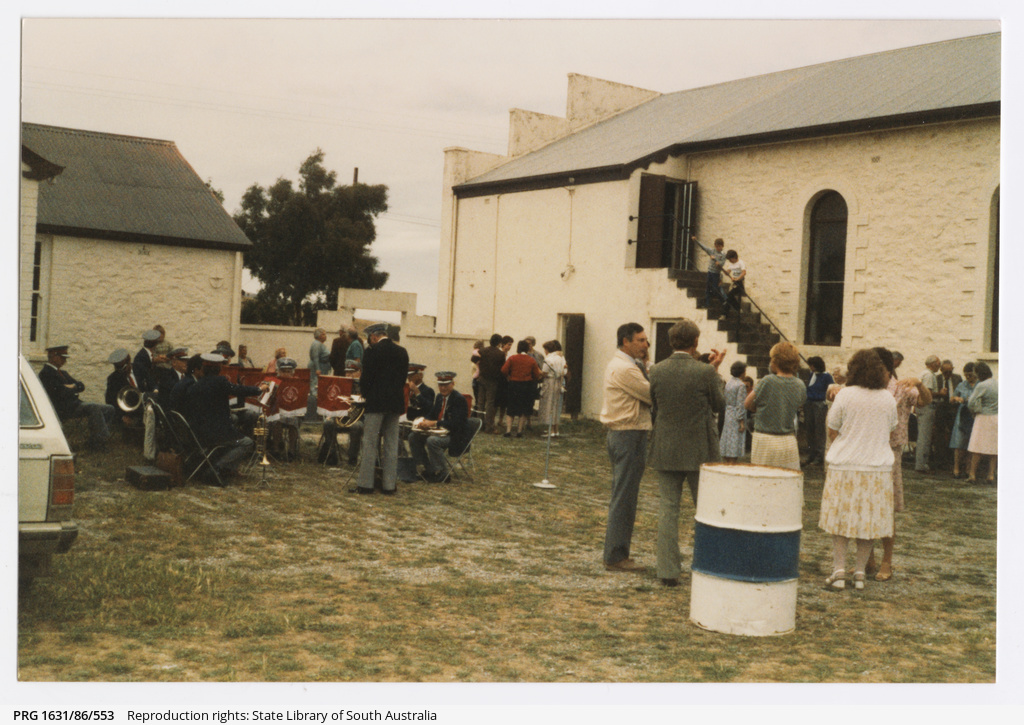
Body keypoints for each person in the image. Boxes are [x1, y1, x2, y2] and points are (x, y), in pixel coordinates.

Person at [648, 319, 726, 587]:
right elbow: (719, 404)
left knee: (668, 509)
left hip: (666, 446)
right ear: (696, 342)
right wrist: (715, 372)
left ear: (672, 341)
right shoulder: (705, 372)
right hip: (699, 448)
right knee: (704, 508)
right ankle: (708, 564)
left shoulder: (656, 370)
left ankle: (667, 570)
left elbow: (656, 405)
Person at [818, 348, 897, 591]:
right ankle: (860, 573)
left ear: (854, 370)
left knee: (840, 521)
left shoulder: (845, 395)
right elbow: (890, 429)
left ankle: (839, 571)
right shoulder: (887, 398)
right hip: (877, 469)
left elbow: (832, 428)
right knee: (869, 522)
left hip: (845, 467)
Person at [867, 347, 932, 582]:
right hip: (866, 452)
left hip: (890, 453)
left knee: (886, 510)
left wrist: (920, 384)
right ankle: (868, 559)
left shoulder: (902, 387)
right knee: (865, 507)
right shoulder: (866, 388)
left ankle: (887, 561)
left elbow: (925, 402)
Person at [600, 322, 651, 573]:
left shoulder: (630, 365)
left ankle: (617, 552)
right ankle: (616, 555)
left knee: (624, 495)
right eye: (640, 340)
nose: (645, 344)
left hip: (628, 434)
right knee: (624, 497)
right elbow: (653, 395)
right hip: (628, 434)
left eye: (645, 340)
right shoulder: (625, 368)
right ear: (625, 341)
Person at [187, 353, 270, 484]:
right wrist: (259, 389)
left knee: (235, 426)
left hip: (198, 432)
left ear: (204, 368)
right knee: (247, 442)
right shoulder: (220, 382)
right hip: (216, 433)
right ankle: (218, 468)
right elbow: (239, 390)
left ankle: (226, 469)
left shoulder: (195, 385)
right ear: (219, 369)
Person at [352, 323, 409, 495]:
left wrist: (366, 395)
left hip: (376, 403)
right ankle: (389, 485)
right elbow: (402, 379)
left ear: (374, 337)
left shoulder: (371, 352)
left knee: (370, 443)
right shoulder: (402, 352)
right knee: (391, 444)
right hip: (395, 403)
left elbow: (366, 379)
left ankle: (366, 484)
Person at [38, 344, 117, 451]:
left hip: (74, 405)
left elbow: (81, 385)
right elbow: (59, 392)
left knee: (109, 409)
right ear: (54, 357)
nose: (65, 361)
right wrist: (73, 389)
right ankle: (99, 442)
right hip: (63, 408)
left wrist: (72, 387)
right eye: (62, 358)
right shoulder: (46, 373)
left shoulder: (63, 373)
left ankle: (95, 439)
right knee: (93, 407)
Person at [744, 341, 807, 470]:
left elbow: (747, 403)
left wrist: (758, 408)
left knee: (763, 477)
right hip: (788, 440)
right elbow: (799, 403)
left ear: (775, 361)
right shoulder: (800, 384)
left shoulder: (767, 380)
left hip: (765, 439)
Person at [409, 372, 471, 482]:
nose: (443, 388)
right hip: (440, 432)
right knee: (413, 437)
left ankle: (442, 473)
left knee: (432, 441)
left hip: (455, 436)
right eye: (440, 385)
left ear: (452, 384)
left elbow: (456, 424)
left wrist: (435, 423)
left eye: (446, 385)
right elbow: (432, 414)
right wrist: (424, 421)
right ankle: (427, 469)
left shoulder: (459, 399)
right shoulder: (439, 397)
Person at [501, 340, 543, 438]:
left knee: (511, 408)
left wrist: (509, 377)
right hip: (526, 386)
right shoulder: (531, 360)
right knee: (524, 409)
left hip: (513, 385)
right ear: (527, 349)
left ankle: (508, 431)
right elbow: (536, 375)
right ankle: (519, 431)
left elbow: (503, 370)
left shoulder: (512, 358)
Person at [966, 362, 997, 485]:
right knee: (994, 446)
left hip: (983, 417)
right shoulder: (998, 383)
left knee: (977, 446)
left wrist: (975, 411)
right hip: (996, 417)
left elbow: (971, 402)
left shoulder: (981, 385)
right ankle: (991, 474)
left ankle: (972, 474)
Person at [802, 356, 834, 467]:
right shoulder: (812, 374)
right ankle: (811, 454)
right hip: (809, 403)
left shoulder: (826, 376)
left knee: (819, 430)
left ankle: (820, 456)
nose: (810, 367)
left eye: (812, 365)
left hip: (819, 405)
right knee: (809, 429)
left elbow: (830, 391)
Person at [949, 362, 978, 479]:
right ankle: (956, 468)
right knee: (959, 442)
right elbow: (951, 399)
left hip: (975, 416)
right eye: (966, 375)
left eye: (970, 375)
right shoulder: (962, 385)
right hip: (962, 415)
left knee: (972, 442)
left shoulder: (980, 385)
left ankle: (968, 468)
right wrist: (956, 398)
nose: (968, 377)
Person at [914, 354, 941, 472]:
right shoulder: (929, 375)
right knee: (924, 436)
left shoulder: (922, 374)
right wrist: (940, 393)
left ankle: (921, 462)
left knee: (922, 435)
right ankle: (921, 464)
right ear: (933, 364)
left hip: (921, 406)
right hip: (927, 407)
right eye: (938, 363)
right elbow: (928, 393)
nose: (939, 366)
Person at [105, 348, 142, 428]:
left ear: (128, 361)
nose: (123, 370)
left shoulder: (139, 369)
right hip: (130, 411)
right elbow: (110, 400)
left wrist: (155, 390)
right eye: (118, 367)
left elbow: (150, 382)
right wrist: (122, 416)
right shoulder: (113, 378)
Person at [538, 340, 568, 438]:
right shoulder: (561, 358)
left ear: (547, 349)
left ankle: (551, 430)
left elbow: (544, 372)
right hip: (558, 382)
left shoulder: (548, 359)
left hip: (550, 382)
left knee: (549, 405)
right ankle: (555, 430)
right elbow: (565, 371)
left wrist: (538, 372)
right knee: (556, 406)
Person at [477, 334, 506, 433]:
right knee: (490, 403)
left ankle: (479, 424)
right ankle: (489, 426)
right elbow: (503, 368)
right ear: (499, 343)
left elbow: (473, 359)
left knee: (480, 402)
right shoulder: (501, 354)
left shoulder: (482, 351)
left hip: (482, 378)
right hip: (493, 380)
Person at [720, 361, 748, 463]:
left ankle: (727, 463)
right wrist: (741, 422)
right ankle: (732, 464)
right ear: (742, 372)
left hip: (728, 413)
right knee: (735, 443)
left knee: (728, 440)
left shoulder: (729, 383)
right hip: (736, 415)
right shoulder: (741, 385)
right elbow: (740, 404)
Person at [693, 235, 728, 309]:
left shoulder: (723, 255)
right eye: (716, 246)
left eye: (719, 246)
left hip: (716, 274)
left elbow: (722, 263)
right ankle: (707, 304)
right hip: (710, 272)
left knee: (715, 289)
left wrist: (717, 262)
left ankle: (723, 300)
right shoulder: (712, 251)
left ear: (722, 246)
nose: (718, 248)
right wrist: (696, 240)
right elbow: (704, 247)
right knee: (708, 288)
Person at [308, 328, 331, 420]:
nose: (325, 336)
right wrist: (317, 368)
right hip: (317, 368)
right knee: (315, 387)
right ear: (319, 336)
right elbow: (315, 357)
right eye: (323, 334)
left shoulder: (321, 344)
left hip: (323, 368)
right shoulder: (316, 344)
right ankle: (314, 410)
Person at [721, 248, 746, 318]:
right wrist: (722, 269)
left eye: (730, 259)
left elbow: (744, 272)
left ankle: (725, 314)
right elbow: (727, 272)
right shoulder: (731, 264)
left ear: (734, 257)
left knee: (729, 295)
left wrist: (737, 279)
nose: (730, 261)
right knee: (729, 297)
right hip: (734, 283)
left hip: (740, 283)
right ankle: (733, 310)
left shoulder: (740, 263)